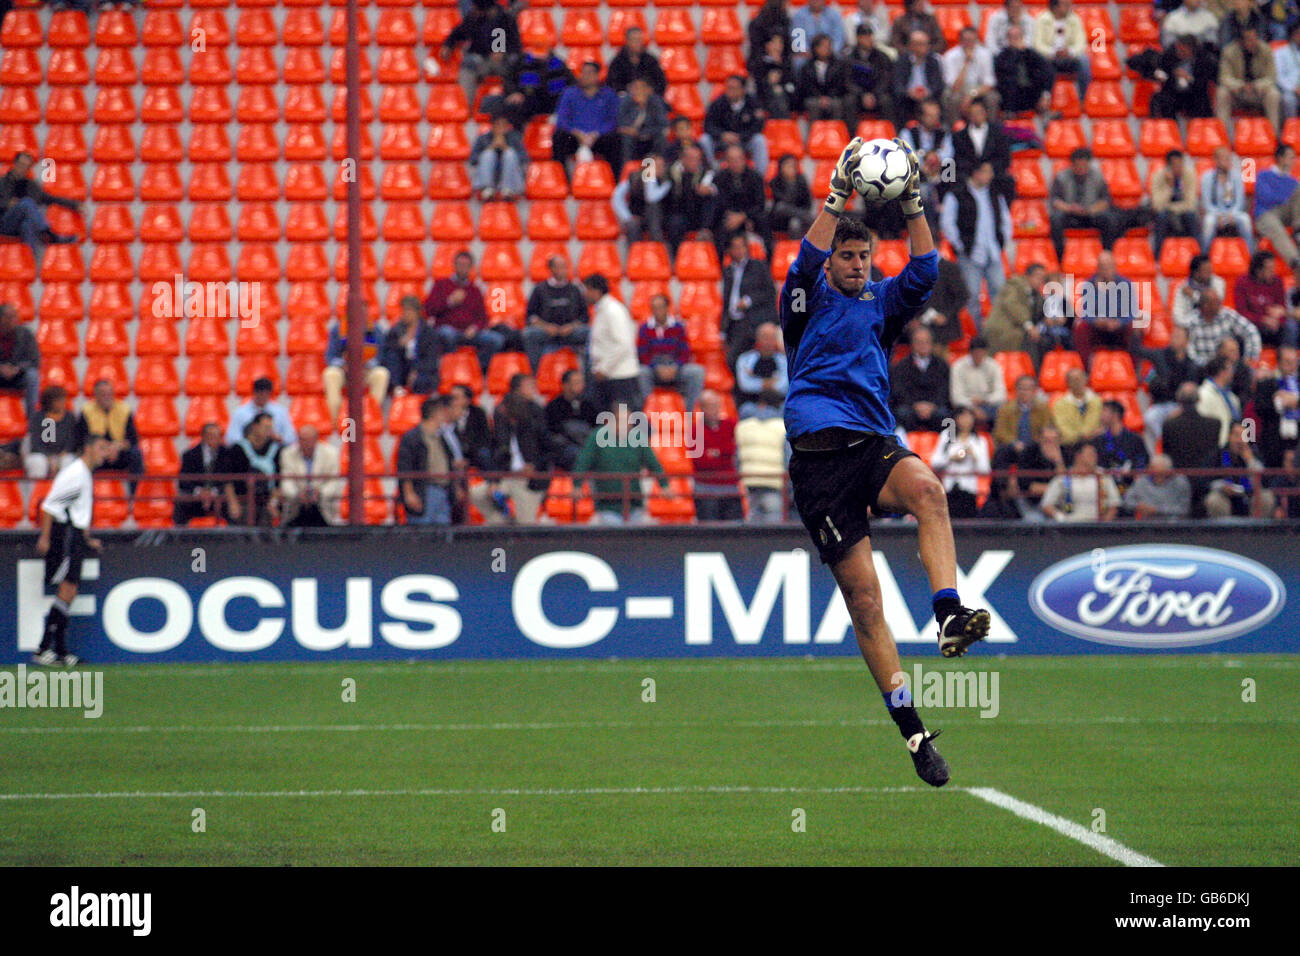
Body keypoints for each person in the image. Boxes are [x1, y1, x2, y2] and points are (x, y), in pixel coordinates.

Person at [779, 134, 990, 788]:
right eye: (848, 256)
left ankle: (950, 611)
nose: (858, 266)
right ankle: (915, 733)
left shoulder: (881, 298)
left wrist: (917, 203)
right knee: (865, 602)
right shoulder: (804, 299)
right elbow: (801, 261)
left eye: (865, 255)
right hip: (819, 463)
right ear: (833, 260)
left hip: (872, 443)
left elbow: (925, 273)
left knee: (929, 488)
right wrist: (838, 196)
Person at [32, 433, 111, 667]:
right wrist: (46, 537)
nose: (104, 453)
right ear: (88, 449)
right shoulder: (75, 474)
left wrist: (86, 539)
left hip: (75, 536)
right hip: (65, 536)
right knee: (67, 590)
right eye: (101, 448)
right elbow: (50, 505)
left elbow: (77, 508)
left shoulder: (84, 474)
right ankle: (45, 648)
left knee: (71, 590)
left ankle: (59, 650)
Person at [940, 161, 1013, 325]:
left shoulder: (995, 194)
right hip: (970, 253)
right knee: (971, 295)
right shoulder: (957, 194)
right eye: (987, 172)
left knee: (1001, 293)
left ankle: (996, 330)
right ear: (976, 173)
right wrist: (960, 245)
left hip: (993, 252)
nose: (991, 176)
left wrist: (1002, 241)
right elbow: (947, 223)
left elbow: (1006, 219)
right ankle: (976, 334)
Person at [572, 402, 669, 524]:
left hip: (634, 505)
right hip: (607, 506)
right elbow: (583, 462)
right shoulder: (598, 436)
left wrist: (665, 486)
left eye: (628, 421)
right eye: (620, 421)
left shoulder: (637, 437)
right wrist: (577, 485)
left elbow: (654, 464)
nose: (626, 425)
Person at [474, 373, 549, 524]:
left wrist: (534, 467)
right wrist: (494, 480)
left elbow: (549, 451)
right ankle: (502, 522)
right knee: (477, 493)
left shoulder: (536, 421)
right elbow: (496, 453)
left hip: (528, 481)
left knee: (526, 524)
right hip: (507, 477)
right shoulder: (501, 426)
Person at [425, 250, 517, 373]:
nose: (463, 268)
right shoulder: (441, 285)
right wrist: (449, 302)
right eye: (460, 264)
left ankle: (476, 370)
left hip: (470, 332)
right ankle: (451, 369)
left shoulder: (475, 290)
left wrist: (475, 328)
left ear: (471, 268)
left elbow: (483, 318)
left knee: (496, 339)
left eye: (466, 265)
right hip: (448, 329)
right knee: (446, 334)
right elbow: (429, 310)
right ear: (454, 265)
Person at [0, 152, 82, 265]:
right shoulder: (2, 182)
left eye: (26, 166)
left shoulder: (31, 186)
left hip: (20, 226)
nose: (22, 168)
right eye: (21, 164)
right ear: (14, 164)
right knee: (27, 202)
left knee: (28, 224)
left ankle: (30, 263)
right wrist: (7, 204)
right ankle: (50, 235)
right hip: (4, 223)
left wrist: (75, 205)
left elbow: (51, 198)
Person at [439, 0, 521, 105]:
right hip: (481, 60)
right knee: (468, 64)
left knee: (514, 63)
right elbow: (457, 33)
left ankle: (512, 104)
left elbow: (516, 47)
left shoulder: (506, 18)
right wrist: (448, 45)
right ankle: (465, 106)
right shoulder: (474, 18)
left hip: (503, 63)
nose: (473, 10)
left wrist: (503, 53)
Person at [1072, 250, 1142, 367]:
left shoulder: (1126, 284)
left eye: (1109, 266)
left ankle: (1133, 369)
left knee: (1136, 326)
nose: (1106, 270)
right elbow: (1085, 313)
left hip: (1120, 327)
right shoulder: (1089, 284)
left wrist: (1119, 322)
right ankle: (1085, 368)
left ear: (1114, 267)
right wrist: (1097, 321)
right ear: (1098, 268)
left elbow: (1132, 311)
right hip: (1098, 328)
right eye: (1103, 267)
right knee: (1081, 328)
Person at [1048, 148, 1121, 259]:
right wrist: (1069, 208)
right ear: (1072, 165)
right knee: (1055, 219)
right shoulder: (1061, 177)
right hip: (1070, 214)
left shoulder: (1098, 177)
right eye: (1078, 166)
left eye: (1084, 165)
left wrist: (1091, 210)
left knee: (1110, 219)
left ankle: (1107, 254)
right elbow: (1054, 200)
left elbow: (1106, 200)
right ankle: (1059, 256)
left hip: (1091, 214)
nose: (1081, 169)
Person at [397, 396, 458, 526]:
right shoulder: (413, 437)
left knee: (443, 535)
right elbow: (404, 466)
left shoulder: (441, 437)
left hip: (443, 490)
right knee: (422, 534)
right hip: (425, 490)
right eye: (443, 411)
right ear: (435, 413)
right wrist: (409, 493)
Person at [553, 61, 622, 176]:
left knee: (615, 140)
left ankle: (614, 181)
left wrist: (596, 134)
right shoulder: (569, 93)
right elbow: (562, 119)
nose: (584, 76)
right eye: (583, 73)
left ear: (597, 76)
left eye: (589, 73)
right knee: (559, 138)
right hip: (575, 136)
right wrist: (576, 132)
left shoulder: (609, 95)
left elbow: (613, 120)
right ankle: (561, 180)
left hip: (598, 138)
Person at [523, 254, 589, 373]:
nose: (562, 270)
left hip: (570, 331)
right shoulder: (539, 289)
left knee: (589, 332)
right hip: (547, 331)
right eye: (559, 267)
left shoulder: (574, 289)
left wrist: (571, 326)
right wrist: (546, 327)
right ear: (551, 269)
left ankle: (588, 373)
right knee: (529, 334)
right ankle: (534, 373)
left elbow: (584, 316)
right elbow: (530, 316)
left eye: (564, 267)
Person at [637, 294, 704, 410]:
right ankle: (646, 412)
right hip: (654, 369)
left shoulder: (678, 327)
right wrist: (656, 367)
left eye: (660, 307)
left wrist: (675, 367)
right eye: (654, 308)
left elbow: (685, 353)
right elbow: (642, 355)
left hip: (675, 368)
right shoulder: (645, 328)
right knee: (641, 373)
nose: (657, 311)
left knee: (697, 372)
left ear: (667, 308)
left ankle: (690, 412)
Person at [1141, 323, 1202, 449]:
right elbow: (1140, 352)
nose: (1174, 339)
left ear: (1186, 341)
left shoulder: (1191, 365)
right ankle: (1165, 443)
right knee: (1150, 417)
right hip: (1161, 405)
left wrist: (1181, 408)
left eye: (1179, 336)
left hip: (1180, 406)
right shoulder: (1161, 356)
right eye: (1173, 336)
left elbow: (1192, 388)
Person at [585, 274, 640, 410]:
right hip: (609, 376)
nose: (585, 294)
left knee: (629, 422)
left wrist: (604, 368)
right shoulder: (601, 311)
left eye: (587, 290)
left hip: (620, 377)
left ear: (596, 291)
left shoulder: (613, 311)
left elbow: (624, 344)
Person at [721, 233, 779, 363]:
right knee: (730, 357)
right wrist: (723, 328)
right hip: (732, 322)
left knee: (734, 357)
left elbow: (770, 291)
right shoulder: (728, 271)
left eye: (741, 247)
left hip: (752, 319)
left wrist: (748, 301)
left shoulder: (758, 267)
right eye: (735, 247)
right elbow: (726, 301)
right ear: (729, 250)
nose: (739, 251)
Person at [485, 45, 573, 131]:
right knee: (497, 103)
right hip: (525, 101)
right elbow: (509, 79)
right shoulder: (521, 62)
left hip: (550, 103)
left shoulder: (559, 64)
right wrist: (514, 92)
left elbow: (571, 85)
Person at [322, 315, 390, 422]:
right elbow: (330, 357)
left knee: (381, 373)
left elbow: (381, 356)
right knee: (330, 373)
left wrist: (366, 366)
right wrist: (344, 365)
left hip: (366, 370)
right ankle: (335, 418)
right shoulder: (338, 329)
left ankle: (372, 414)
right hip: (344, 371)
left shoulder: (375, 329)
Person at [735, 390, 789, 522]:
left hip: (749, 482)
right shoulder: (783, 427)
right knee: (773, 532)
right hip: (774, 483)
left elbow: (736, 458)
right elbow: (788, 459)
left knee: (752, 531)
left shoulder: (742, 426)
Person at [1218, 25, 1281, 135]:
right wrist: (1240, 85)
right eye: (1249, 39)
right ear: (1241, 41)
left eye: (1255, 38)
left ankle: (1273, 136)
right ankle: (1222, 137)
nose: (1253, 42)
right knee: (1222, 93)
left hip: (1259, 92)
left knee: (1274, 94)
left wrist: (1256, 85)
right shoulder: (1229, 51)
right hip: (1238, 92)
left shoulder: (1266, 50)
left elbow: (1272, 77)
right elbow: (1224, 77)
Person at [704, 76, 769, 182]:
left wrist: (741, 136)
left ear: (743, 90)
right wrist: (722, 135)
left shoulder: (753, 103)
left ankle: (759, 178)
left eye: (734, 88)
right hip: (722, 140)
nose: (730, 91)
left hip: (744, 140)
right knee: (704, 139)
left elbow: (758, 126)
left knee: (759, 140)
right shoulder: (718, 103)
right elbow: (708, 125)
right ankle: (711, 171)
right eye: (728, 88)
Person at [928, 406, 990, 518]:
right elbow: (935, 463)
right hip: (949, 489)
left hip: (969, 490)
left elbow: (985, 470)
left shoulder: (979, 440)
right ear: (956, 419)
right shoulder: (947, 436)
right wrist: (951, 458)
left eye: (968, 417)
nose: (966, 420)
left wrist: (974, 456)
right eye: (962, 417)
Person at [223, 412, 282, 526]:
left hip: (267, 499)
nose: (269, 431)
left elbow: (279, 482)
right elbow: (228, 480)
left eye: (270, 428)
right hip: (243, 499)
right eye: (265, 427)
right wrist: (233, 503)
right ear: (255, 426)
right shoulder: (237, 449)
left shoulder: (276, 449)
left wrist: (273, 502)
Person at [276, 424, 342, 527]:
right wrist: (298, 494)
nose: (305, 443)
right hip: (296, 505)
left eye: (308, 440)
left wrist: (319, 493)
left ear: (316, 440)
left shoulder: (331, 453)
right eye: (302, 440)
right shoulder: (287, 453)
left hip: (323, 505)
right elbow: (286, 480)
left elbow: (333, 481)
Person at [80, 379, 144, 484]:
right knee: (84, 457)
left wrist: (117, 447)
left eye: (109, 393)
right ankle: (87, 495)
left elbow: (133, 439)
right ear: (96, 395)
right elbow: (83, 439)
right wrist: (105, 449)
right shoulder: (86, 411)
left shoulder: (124, 410)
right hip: (97, 454)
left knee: (135, 454)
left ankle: (136, 496)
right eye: (103, 394)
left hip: (118, 452)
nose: (107, 397)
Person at [1179, 285, 1262, 366]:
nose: (1220, 304)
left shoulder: (1227, 315)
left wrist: (1250, 357)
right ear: (1205, 306)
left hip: (1228, 366)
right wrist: (1208, 365)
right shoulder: (1190, 322)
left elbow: (1251, 331)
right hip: (1201, 368)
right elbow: (1190, 352)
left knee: (1230, 345)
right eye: (1216, 302)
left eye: (1219, 301)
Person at [692, 390, 742, 521]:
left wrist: (717, 453)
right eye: (709, 406)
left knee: (736, 531)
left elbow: (736, 454)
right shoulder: (694, 431)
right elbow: (701, 462)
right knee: (709, 534)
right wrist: (725, 453)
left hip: (730, 488)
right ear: (701, 408)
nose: (713, 409)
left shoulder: (731, 425)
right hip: (705, 489)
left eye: (715, 405)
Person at [1205, 421, 1274, 516]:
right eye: (1236, 435)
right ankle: (1222, 530)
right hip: (1225, 497)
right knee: (1214, 499)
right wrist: (1222, 487)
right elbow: (1205, 481)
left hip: (1249, 496)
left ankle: (1257, 529)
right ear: (1229, 437)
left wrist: (1251, 461)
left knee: (1266, 497)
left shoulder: (1254, 454)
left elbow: (1265, 482)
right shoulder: (1218, 455)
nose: (1239, 441)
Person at [712, 144, 771, 255]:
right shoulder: (720, 178)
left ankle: (768, 261)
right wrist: (732, 216)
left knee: (764, 221)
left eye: (739, 159)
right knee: (720, 230)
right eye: (732, 159)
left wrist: (744, 216)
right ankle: (722, 267)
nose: (736, 163)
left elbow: (760, 204)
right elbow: (719, 202)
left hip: (751, 216)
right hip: (729, 216)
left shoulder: (756, 177)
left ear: (744, 159)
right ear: (727, 161)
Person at [890, 325, 951, 431]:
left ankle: (945, 446)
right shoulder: (902, 365)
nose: (923, 345)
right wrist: (915, 405)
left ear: (932, 344)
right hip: (910, 407)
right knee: (901, 414)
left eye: (926, 342)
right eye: (919, 342)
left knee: (945, 416)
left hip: (935, 407)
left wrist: (932, 405)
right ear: (912, 344)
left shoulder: (941, 365)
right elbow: (899, 390)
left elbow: (944, 389)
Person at [1039, 443, 1121, 521]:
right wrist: (1061, 519)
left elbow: (1114, 504)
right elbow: (1046, 505)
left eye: (1095, 454)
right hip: (1070, 526)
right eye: (1090, 454)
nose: (1094, 457)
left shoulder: (1104, 476)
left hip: (1097, 526)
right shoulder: (1063, 478)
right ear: (1078, 456)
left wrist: (1105, 525)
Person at [1235, 250, 1299, 348]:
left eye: (1273, 267)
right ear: (1258, 270)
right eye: (1269, 269)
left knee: (1290, 327)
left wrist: (1277, 321)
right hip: (1253, 324)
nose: (1273, 271)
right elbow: (1242, 312)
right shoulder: (1242, 283)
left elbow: (1281, 308)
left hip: (1274, 325)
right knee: (1240, 333)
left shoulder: (1277, 282)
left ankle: (1289, 359)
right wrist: (1262, 320)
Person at [380, 295, 441, 396]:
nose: (405, 313)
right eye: (404, 310)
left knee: (423, 379)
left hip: (421, 368)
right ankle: (397, 387)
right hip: (402, 368)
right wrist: (400, 345)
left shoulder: (428, 332)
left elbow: (431, 359)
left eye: (409, 310)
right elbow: (387, 351)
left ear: (417, 312)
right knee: (392, 355)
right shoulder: (396, 330)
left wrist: (416, 370)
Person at [1147, 34, 1217, 122]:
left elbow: (1204, 84)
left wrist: (1189, 78)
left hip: (1194, 93)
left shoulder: (1204, 60)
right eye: (1178, 49)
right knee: (1160, 98)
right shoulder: (1170, 55)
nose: (1179, 52)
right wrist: (1166, 76)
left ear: (1191, 49)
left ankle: (1200, 130)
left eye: (1183, 49)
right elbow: (1161, 72)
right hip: (1175, 92)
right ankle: (1169, 128)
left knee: (1202, 104)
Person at [984, 264, 1048, 357]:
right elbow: (1012, 304)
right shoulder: (1014, 285)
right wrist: (1029, 326)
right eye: (1038, 276)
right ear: (1027, 276)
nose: (1040, 281)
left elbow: (1040, 312)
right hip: (1003, 329)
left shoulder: (1036, 294)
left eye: (1043, 278)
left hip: (1018, 331)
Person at [665, 144, 718, 255]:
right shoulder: (671, 172)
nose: (695, 163)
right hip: (678, 213)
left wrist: (711, 189)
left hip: (700, 216)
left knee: (712, 198)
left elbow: (720, 191)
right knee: (675, 222)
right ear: (682, 159)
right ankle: (677, 257)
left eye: (697, 159)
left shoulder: (706, 173)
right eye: (691, 159)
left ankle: (705, 234)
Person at [1033, 0, 1091, 99]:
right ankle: (1045, 101)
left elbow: (1081, 42)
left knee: (1084, 60)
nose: (1070, 6)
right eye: (1065, 4)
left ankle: (1084, 99)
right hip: (1050, 57)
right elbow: (1037, 44)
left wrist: (1070, 51)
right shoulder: (1042, 20)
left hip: (1069, 57)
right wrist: (1053, 52)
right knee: (1041, 63)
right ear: (1055, 6)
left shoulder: (1074, 19)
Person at [1200, 146, 1253, 252]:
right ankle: (1204, 256)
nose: (1228, 162)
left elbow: (1240, 201)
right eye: (1224, 159)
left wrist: (1232, 214)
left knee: (1245, 219)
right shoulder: (1207, 177)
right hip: (1215, 213)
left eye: (1229, 158)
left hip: (1233, 212)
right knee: (1208, 222)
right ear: (1216, 160)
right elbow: (1207, 203)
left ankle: (1250, 255)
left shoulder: (1236, 177)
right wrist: (1218, 214)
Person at [994, 24, 1054, 117]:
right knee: (1009, 82)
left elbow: (1048, 69)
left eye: (1018, 37)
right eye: (1013, 37)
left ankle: (1045, 115)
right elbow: (1007, 71)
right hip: (1011, 98)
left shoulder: (1030, 53)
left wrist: (1046, 94)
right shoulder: (1002, 56)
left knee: (1042, 75)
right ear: (1008, 39)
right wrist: (1017, 52)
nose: (1016, 40)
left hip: (1031, 95)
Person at [174, 422, 228, 526]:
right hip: (196, 496)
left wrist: (213, 492)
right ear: (203, 436)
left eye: (217, 436)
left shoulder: (227, 454)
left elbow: (230, 479)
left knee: (234, 504)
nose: (214, 439)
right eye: (210, 435)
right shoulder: (189, 455)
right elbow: (183, 481)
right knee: (181, 503)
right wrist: (199, 492)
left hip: (219, 496)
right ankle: (178, 537)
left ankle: (237, 538)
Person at [544, 368, 599, 471]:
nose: (581, 386)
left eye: (582, 382)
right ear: (565, 385)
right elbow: (551, 434)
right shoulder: (553, 407)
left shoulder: (589, 406)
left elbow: (596, 429)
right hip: (565, 449)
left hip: (587, 445)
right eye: (576, 382)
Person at [940, 26, 997, 122]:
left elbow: (989, 83)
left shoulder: (985, 54)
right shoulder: (950, 56)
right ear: (960, 41)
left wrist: (971, 95)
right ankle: (954, 130)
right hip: (959, 90)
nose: (969, 44)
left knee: (993, 98)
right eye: (966, 40)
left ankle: (991, 130)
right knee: (953, 99)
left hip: (978, 89)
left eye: (972, 40)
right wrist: (966, 63)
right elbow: (954, 87)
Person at [949, 336, 1007, 430]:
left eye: (982, 353)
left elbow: (1001, 394)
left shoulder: (994, 366)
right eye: (976, 353)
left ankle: (997, 442)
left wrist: (986, 400)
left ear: (986, 352)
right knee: (953, 414)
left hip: (988, 405)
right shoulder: (958, 366)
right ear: (970, 352)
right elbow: (956, 397)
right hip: (966, 405)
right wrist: (972, 407)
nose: (979, 356)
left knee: (1003, 411)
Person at [23, 384, 80, 479]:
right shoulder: (38, 417)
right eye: (58, 400)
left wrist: (64, 453)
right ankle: (39, 491)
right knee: (38, 462)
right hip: (42, 454)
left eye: (63, 399)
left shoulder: (69, 417)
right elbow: (36, 442)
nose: (62, 403)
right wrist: (49, 457)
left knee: (68, 461)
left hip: (64, 454)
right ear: (49, 402)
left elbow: (72, 439)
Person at [1150, 149, 1199, 257]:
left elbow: (1190, 204)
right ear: (1168, 166)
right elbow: (1157, 205)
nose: (1178, 168)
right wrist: (1169, 187)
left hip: (1182, 211)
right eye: (1175, 165)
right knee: (1161, 217)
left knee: (1191, 216)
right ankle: (1158, 257)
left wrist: (1172, 208)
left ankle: (1197, 254)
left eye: (1180, 164)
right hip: (1165, 213)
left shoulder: (1189, 175)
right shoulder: (1158, 176)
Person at [612, 153, 670, 244]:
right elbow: (617, 196)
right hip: (638, 217)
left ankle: (658, 248)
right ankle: (634, 254)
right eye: (657, 166)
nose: (661, 169)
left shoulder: (668, 180)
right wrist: (627, 217)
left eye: (662, 166)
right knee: (633, 225)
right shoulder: (635, 178)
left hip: (660, 220)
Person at [469, 111, 528, 200]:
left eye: (504, 125)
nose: (501, 128)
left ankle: (508, 190)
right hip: (489, 174)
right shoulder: (483, 138)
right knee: (488, 154)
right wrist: (491, 147)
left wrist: (505, 147)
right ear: (492, 126)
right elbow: (473, 160)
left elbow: (524, 159)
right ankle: (486, 189)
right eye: (498, 125)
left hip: (511, 177)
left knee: (510, 153)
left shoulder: (516, 138)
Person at [735, 322, 790, 418]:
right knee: (745, 410)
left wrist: (758, 382)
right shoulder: (745, 359)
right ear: (758, 338)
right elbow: (746, 385)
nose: (769, 341)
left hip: (779, 407)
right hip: (752, 406)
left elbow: (784, 386)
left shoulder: (784, 360)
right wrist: (770, 382)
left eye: (772, 337)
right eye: (765, 337)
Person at [892, 31, 946, 127]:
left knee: (939, 104)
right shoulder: (902, 61)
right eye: (920, 44)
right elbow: (897, 84)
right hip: (908, 98)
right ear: (912, 46)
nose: (924, 48)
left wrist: (928, 92)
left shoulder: (933, 61)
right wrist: (908, 92)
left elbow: (938, 84)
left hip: (928, 97)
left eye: (926, 44)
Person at [796, 34, 853, 123]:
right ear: (815, 48)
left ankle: (836, 133)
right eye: (823, 46)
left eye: (828, 46)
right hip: (814, 98)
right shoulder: (806, 67)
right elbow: (806, 86)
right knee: (812, 105)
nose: (827, 49)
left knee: (837, 105)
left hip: (834, 97)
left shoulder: (839, 65)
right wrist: (819, 98)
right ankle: (814, 133)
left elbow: (840, 84)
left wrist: (829, 97)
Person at [845, 25, 896, 124]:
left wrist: (874, 94)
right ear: (858, 38)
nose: (869, 40)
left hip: (877, 93)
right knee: (848, 101)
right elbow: (848, 81)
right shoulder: (850, 58)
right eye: (865, 37)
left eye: (870, 36)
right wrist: (862, 94)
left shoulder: (882, 57)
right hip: (858, 94)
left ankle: (887, 134)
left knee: (886, 101)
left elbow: (885, 79)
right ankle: (852, 135)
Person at [226, 376, 296, 447]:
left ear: (270, 393)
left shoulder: (281, 412)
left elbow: (291, 438)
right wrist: (251, 441)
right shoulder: (240, 413)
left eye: (266, 393)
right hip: (246, 452)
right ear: (254, 392)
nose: (262, 396)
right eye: (259, 392)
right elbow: (232, 438)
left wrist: (278, 438)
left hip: (275, 451)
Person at [616, 77, 669, 167]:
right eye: (635, 88)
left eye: (641, 87)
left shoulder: (656, 102)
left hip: (649, 136)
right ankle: (627, 169)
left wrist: (641, 132)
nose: (638, 91)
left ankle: (658, 170)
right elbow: (621, 124)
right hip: (631, 137)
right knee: (624, 140)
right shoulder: (626, 101)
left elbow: (662, 125)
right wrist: (639, 108)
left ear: (649, 90)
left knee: (661, 139)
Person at [1091, 399, 1149, 481]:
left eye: (1104, 411)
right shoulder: (1098, 440)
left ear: (1115, 415)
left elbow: (1142, 460)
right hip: (1107, 482)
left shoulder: (1135, 439)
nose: (1101, 415)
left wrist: (1134, 471)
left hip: (1130, 482)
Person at [1051, 367, 1104, 454]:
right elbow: (1062, 427)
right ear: (1067, 383)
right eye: (1073, 380)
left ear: (1086, 379)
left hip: (1095, 444)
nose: (1077, 382)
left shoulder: (1098, 401)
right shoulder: (1060, 405)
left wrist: (1088, 435)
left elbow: (1101, 425)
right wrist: (1081, 437)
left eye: (1079, 379)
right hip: (1070, 446)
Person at [1123, 453, 1192, 519]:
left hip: (1174, 525)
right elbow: (1127, 501)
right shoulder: (1142, 481)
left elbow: (1183, 509)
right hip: (1147, 525)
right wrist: (1138, 506)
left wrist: (1157, 510)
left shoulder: (1180, 482)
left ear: (1168, 471)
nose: (1156, 476)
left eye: (1159, 474)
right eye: (1151, 469)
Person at [993, 374, 1052, 449]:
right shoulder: (1005, 409)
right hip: (1012, 447)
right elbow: (1000, 431)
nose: (1024, 392)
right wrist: (1014, 442)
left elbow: (1047, 428)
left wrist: (1037, 442)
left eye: (1028, 389)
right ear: (1016, 390)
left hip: (1036, 447)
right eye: (1021, 389)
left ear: (1034, 391)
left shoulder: (1043, 409)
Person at [606, 27, 667, 96]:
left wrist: (648, 89)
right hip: (626, 98)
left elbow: (661, 82)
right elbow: (612, 84)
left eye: (639, 40)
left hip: (648, 98)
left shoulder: (650, 60)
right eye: (634, 40)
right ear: (627, 41)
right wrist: (627, 89)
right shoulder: (617, 62)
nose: (638, 43)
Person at [752, 33, 800, 120]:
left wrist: (779, 66)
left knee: (782, 94)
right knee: (777, 96)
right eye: (774, 43)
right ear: (767, 45)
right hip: (765, 96)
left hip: (787, 96)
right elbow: (758, 84)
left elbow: (793, 82)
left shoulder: (787, 63)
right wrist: (769, 82)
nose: (778, 46)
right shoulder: (760, 62)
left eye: (780, 43)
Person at [447, 383, 492, 471]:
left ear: (467, 399)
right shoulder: (446, 414)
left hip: (474, 452)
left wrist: (469, 458)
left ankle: (493, 481)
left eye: (456, 398)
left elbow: (484, 437)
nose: (452, 401)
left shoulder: (478, 413)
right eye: (451, 398)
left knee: (484, 453)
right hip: (453, 454)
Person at [768, 154, 814, 238]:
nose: (790, 168)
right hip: (781, 219)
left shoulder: (801, 180)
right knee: (781, 207)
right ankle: (807, 217)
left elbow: (808, 203)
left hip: (798, 217)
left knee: (795, 223)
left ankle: (795, 247)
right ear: (781, 167)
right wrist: (790, 182)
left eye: (792, 165)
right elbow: (782, 203)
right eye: (787, 165)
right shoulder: (775, 182)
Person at [790, 0, 847, 66]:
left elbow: (839, 38)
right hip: (808, 55)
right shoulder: (799, 15)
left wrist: (828, 52)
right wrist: (809, 53)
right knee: (798, 62)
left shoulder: (834, 15)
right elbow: (797, 41)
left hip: (830, 53)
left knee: (842, 61)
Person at [1276, 22, 1300, 117]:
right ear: (1292, 35)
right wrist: (1294, 89)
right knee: (1288, 100)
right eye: (1298, 33)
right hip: (1289, 90)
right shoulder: (1281, 52)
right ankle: (1291, 129)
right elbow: (1278, 76)